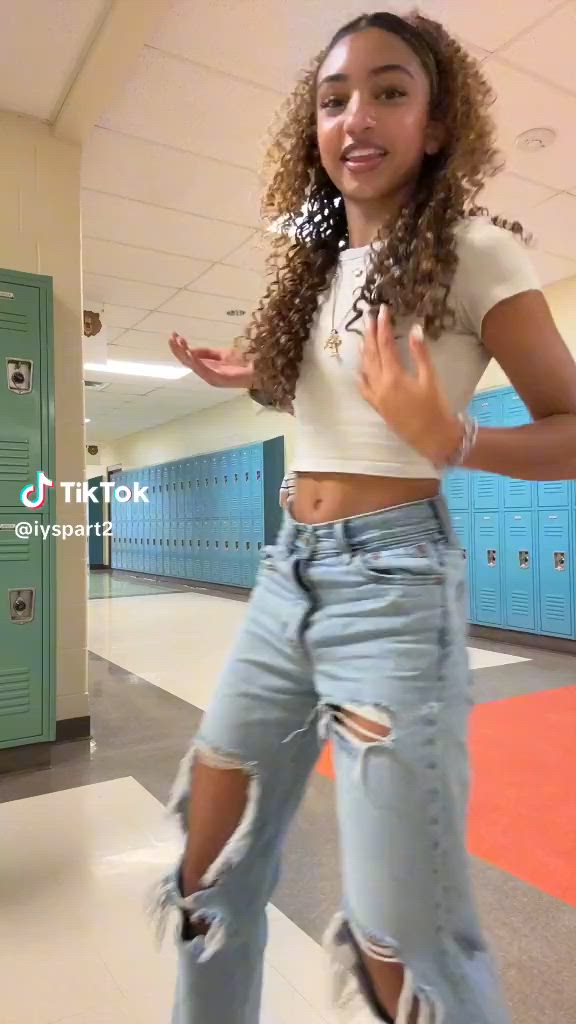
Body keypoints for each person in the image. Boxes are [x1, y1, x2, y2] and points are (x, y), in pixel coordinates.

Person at [163, 11, 576, 1024]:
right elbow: (339, 393)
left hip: (392, 587)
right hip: (283, 573)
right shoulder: (310, 264)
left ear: (436, 124)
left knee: (400, 939)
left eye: (390, 90)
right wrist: (260, 370)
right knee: (204, 864)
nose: (358, 115)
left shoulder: (478, 251)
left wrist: (456, 439)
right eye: (334, 96)